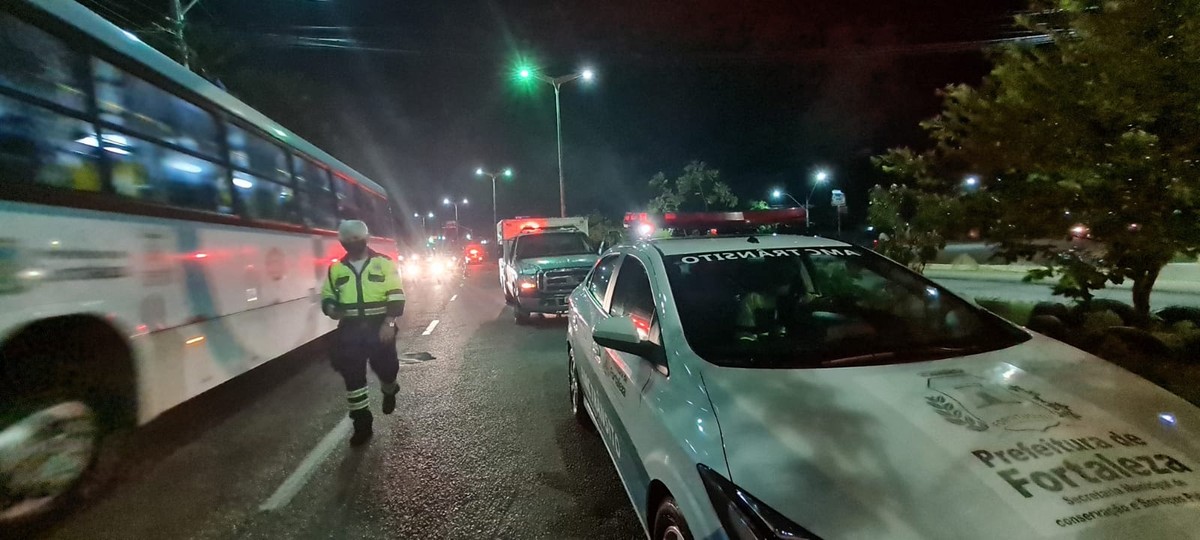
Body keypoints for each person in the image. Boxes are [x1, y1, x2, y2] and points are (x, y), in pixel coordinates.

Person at [321, 220, 405, 446]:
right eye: (349, 241)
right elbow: (327, 295)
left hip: (380, 326)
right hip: (350, 330)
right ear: (343, 242)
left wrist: (389, 322)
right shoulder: (336, 269)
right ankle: (362, 426)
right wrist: (330, 307)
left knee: (387, 369)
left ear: (366, 239)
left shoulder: (384, 264)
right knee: (353, 377)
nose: (353, 244)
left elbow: (396, 294)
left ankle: (390, 389)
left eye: (357, 239)